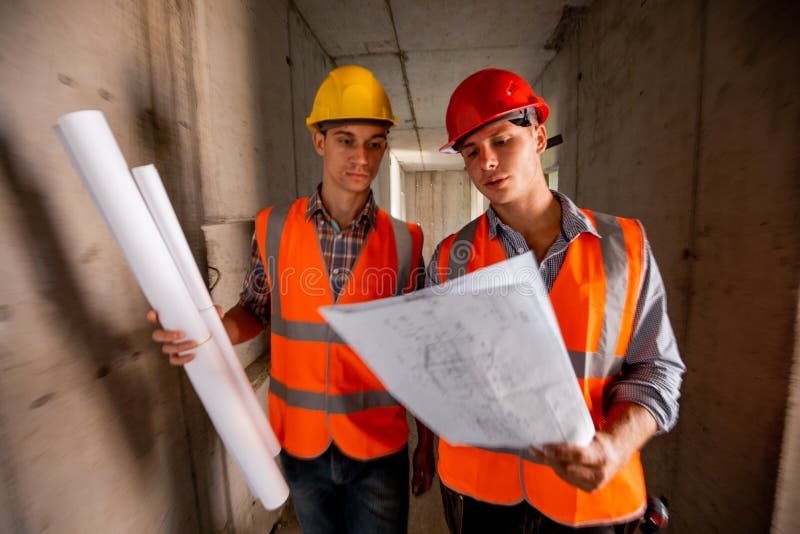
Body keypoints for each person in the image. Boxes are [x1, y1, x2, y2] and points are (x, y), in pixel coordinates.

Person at [149, 65, 434, 534]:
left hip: (379, 452)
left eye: (374, 142)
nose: (361, 157)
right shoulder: (274, 227)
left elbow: (419, 353)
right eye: (346, 139)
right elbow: (255, 311)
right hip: (301, 448)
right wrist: (210, 332)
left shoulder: (406, 243)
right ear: (319, 141)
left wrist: (427, 443)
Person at [426, 68, 685, 533]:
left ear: (539, 137)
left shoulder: (622, 247)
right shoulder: (450, 257)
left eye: (502, 140)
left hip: (587, 500)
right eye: (471, 150)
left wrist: (616, 446)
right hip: (486, 496)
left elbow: (657, 369)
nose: (486, 161)